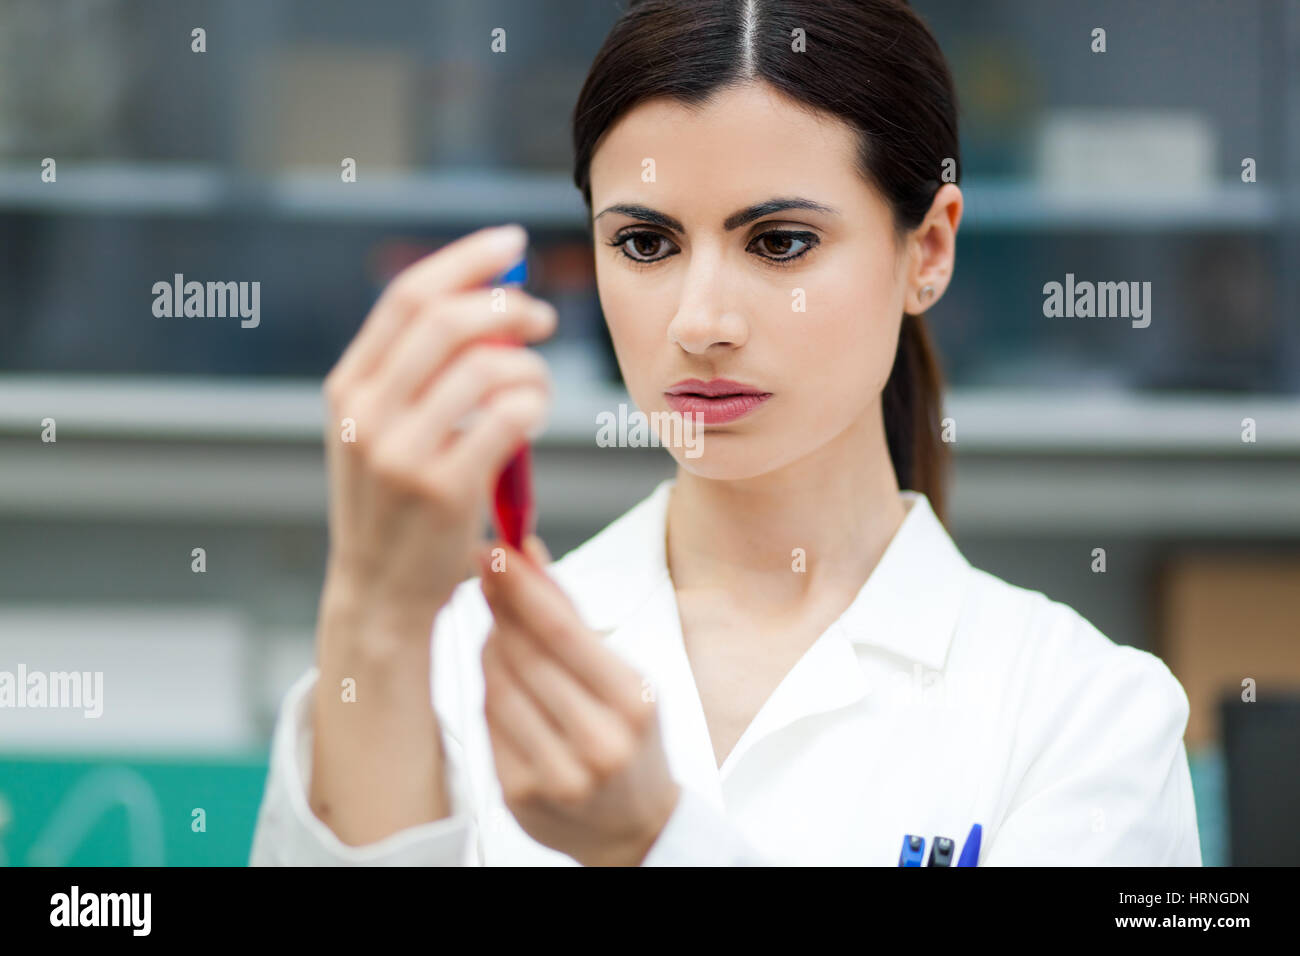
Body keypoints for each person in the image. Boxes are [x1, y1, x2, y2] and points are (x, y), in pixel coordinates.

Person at [249, 0, 1202, 866]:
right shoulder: (449, 665)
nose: (700, 323)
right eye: (646, 243)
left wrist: (655, 843)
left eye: (780, 241)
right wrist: (369, 614)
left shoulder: (1085, 714)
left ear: (930, 249)